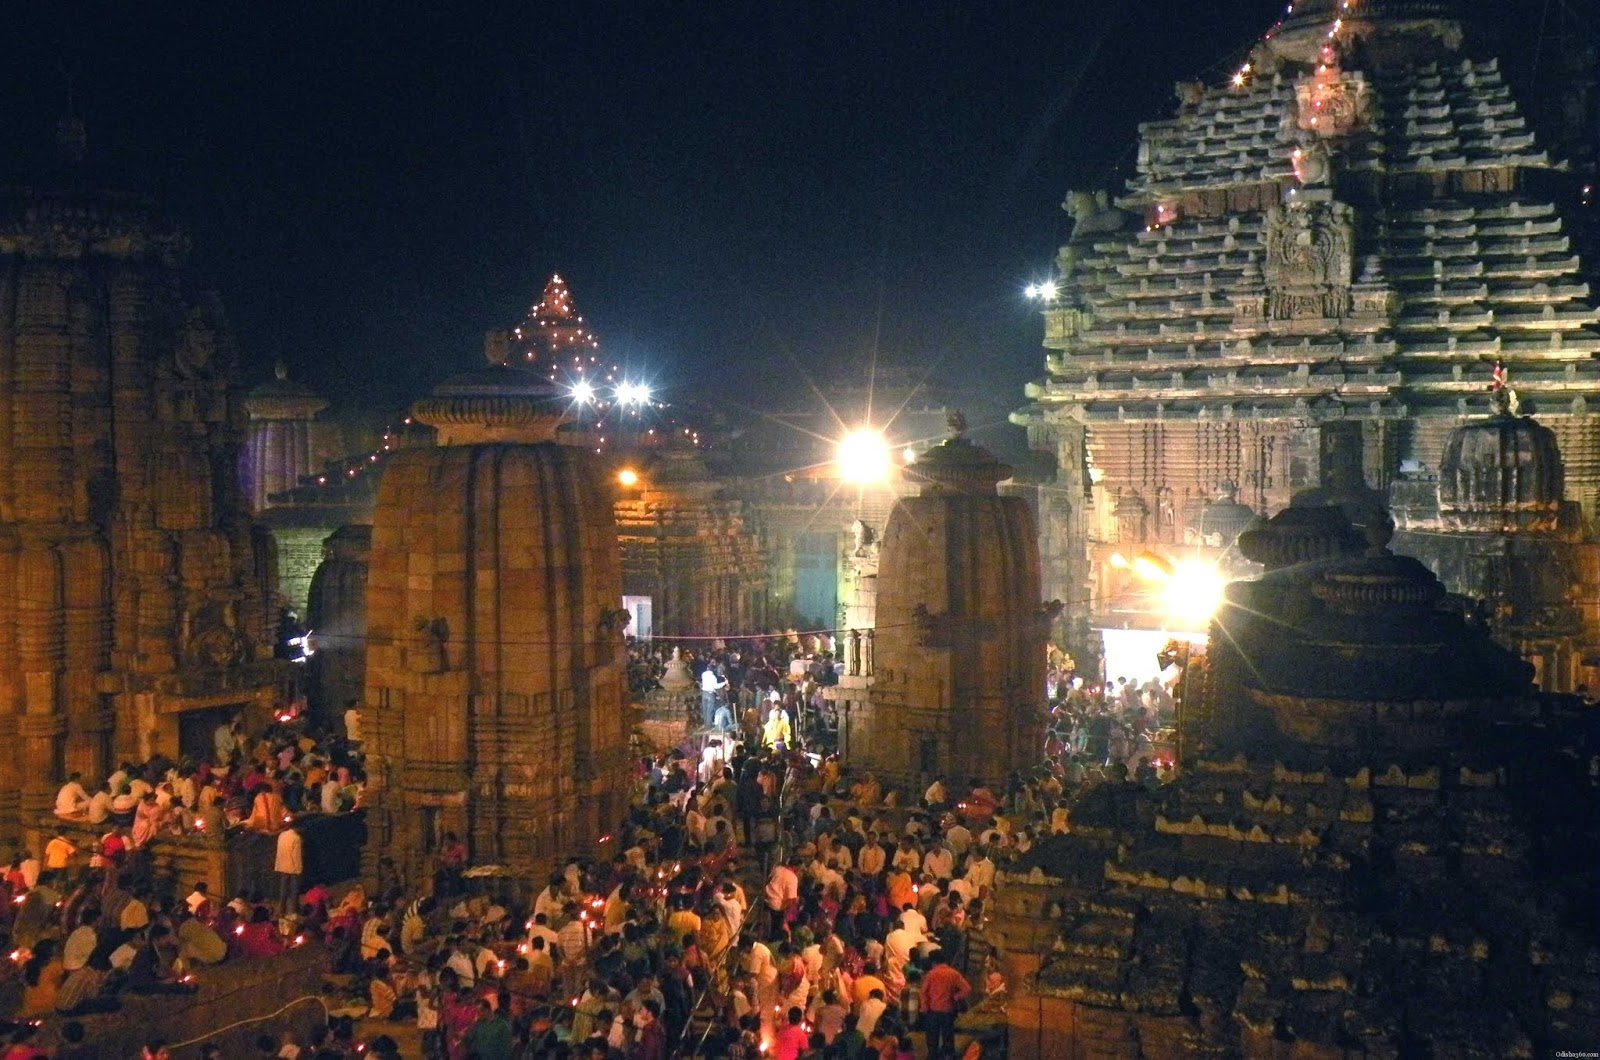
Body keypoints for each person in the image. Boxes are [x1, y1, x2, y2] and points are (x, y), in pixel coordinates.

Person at [919, 952, 972, 1059]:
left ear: (933, 962)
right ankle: (948, 1056)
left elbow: (923, 992)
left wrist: (925, 1007)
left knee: (932, 1038)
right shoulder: (953, 974)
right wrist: (955, 997)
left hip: (933, 1011)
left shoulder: (931, 974)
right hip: (949, 1010)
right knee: (948, 1036)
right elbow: (967, 989)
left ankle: (933, 1056)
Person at [275, 825, 303, 912]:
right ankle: (293, 911)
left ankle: (281, 910)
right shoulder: (296, 838)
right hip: (293, 867)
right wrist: (299, 869)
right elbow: (296, 855)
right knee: (294, 890)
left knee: (283, 889)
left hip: (282, 866)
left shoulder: (282, 835)